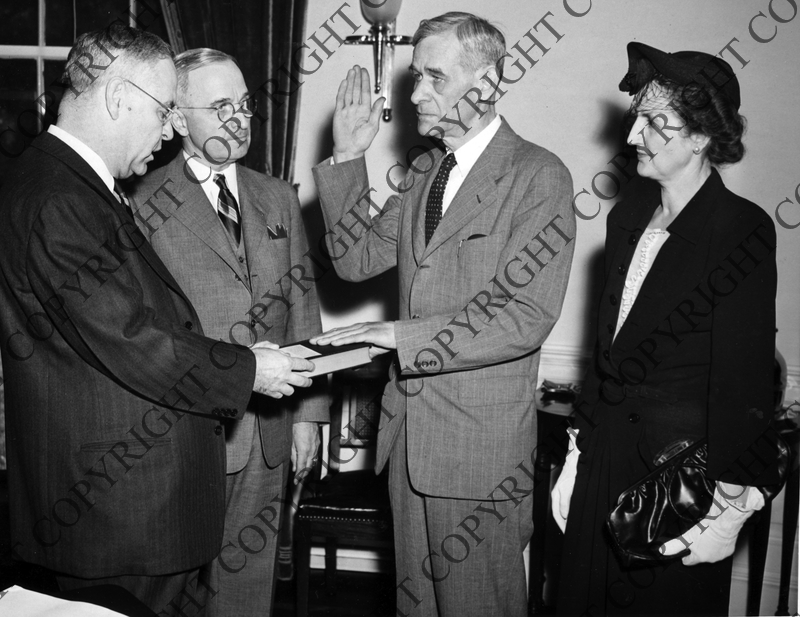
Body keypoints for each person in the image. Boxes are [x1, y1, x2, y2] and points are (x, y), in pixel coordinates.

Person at [0, 25, 314, 612]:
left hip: (131, 505)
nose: (170, 130)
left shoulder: (68, 184)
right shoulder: (62, 199)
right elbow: (131, 339)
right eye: (165, 109)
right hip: (118, 507)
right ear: (120, 97)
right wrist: (252, 370)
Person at [310, 12, 575, 616]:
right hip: (407, 443)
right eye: (415, 76)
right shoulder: (425, 170)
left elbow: (526, 315)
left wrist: (398, 337)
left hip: (478, 456)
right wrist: (347, 157)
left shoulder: (538, 176)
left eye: (435, 77)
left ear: (486, 83)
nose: (414, 94)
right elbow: (354, 259)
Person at [553, 43, 780, 615]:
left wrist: (729, 509)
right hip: (604, 459)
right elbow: (604, 354)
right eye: (638, 118)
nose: (634, 136)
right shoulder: (628, 217)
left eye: (656, 123)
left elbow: (743, 379)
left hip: (678, 486)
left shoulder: (741, 229)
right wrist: (578, 451)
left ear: (701, 136)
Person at [128, 48, 329, 617]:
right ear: (176, 118)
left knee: (246, 588)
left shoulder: (278, 196)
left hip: (268, 431)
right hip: (182, 435)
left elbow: (303, 308)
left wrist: (308, 417)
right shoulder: (140, 202)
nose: (239, 119)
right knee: (172, 591)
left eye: (244, 104)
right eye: (220, 108)